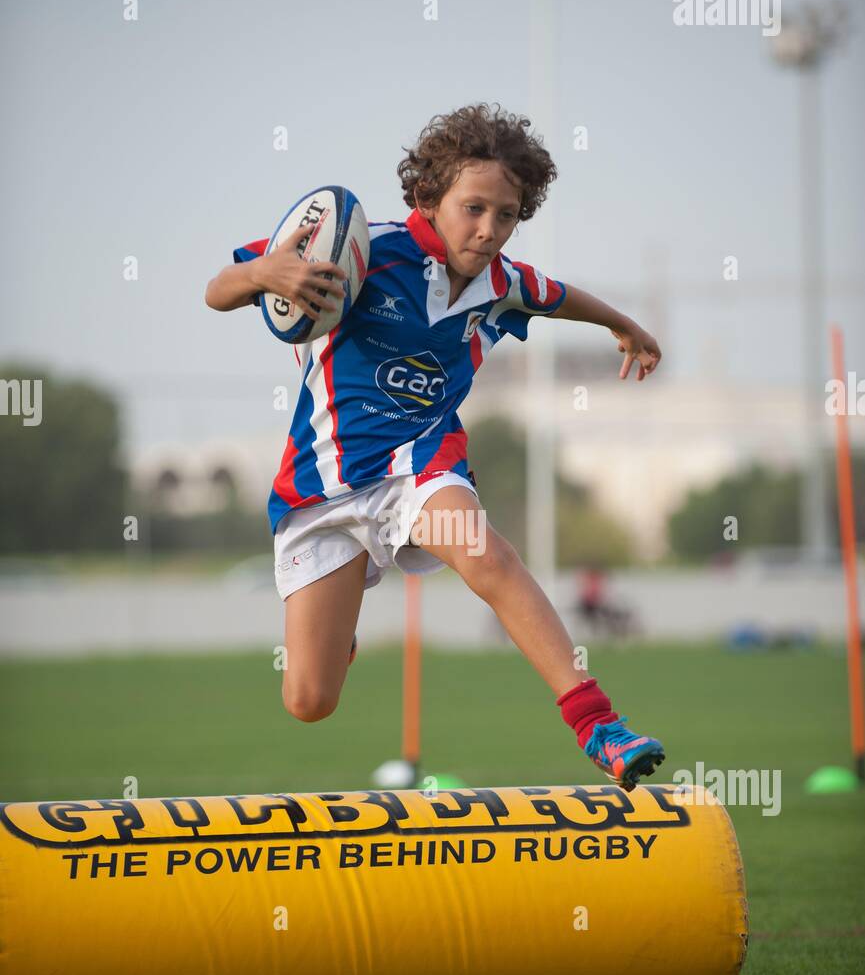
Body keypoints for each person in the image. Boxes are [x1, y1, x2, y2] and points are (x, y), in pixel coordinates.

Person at [205, 104, 664, 789]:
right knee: (308, 701)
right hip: (320, 485)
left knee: (489, 557)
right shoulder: (366, 251)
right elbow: (219, 290)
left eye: (506, 215)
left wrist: (624, 327)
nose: (487, 230)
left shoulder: (504, 283)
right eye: (472, 208)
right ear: (428, 197)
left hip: (421, 464)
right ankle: (337, 633)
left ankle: (597, 724)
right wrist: (265, 275)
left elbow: (562, 296)